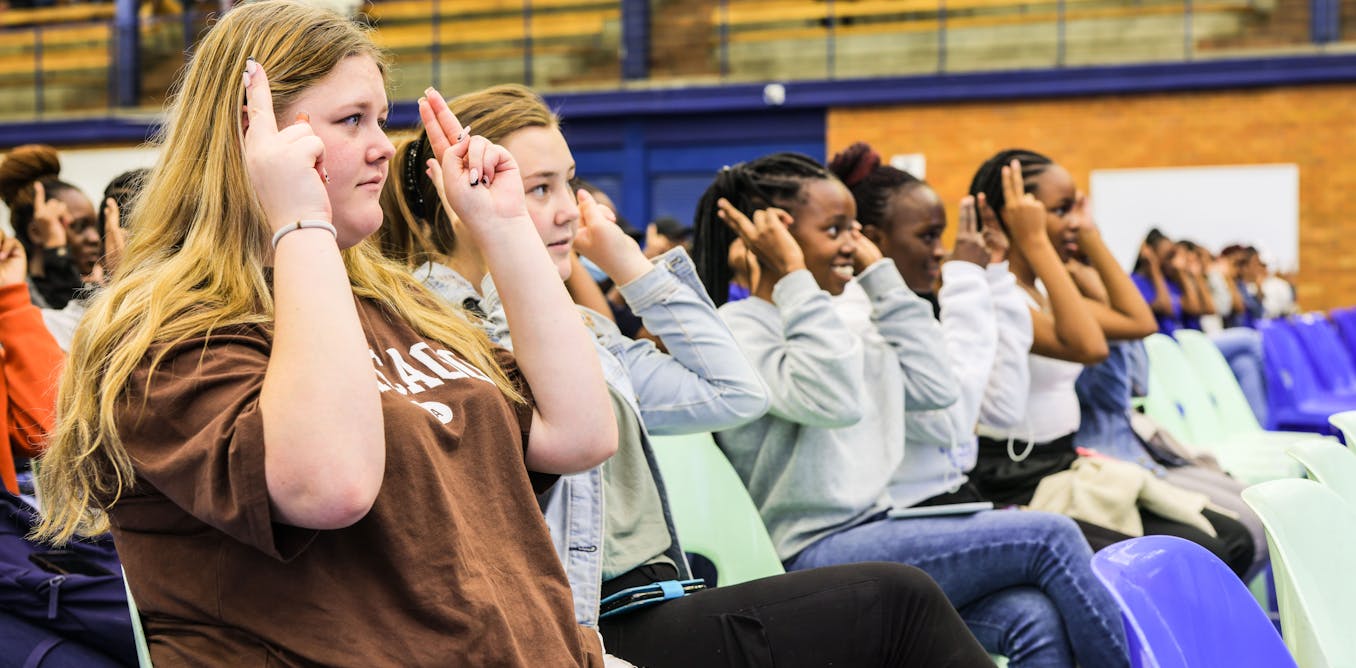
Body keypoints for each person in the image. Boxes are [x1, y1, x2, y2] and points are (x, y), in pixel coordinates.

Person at [32, 3, 619, 665]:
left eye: (382, 118)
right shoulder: (165, 334)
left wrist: (505, 228)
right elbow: (330, 485)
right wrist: (300, 221)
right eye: (351, 121)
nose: (383, 147)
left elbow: (579, 435)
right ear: (251, 140)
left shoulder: (391, 302)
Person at [383, 84, 995, 668]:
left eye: (569, 183)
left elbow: (733, 392)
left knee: (988, 610)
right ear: (459, 196)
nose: (570, 210)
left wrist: (628, 261)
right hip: (590, 625)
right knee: (898, 601)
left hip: (659, 598)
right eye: (538, 188)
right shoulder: (435, 333)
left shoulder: (578, 330)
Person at [695, 151, 1130, 667]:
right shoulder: (741, 328)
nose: (854, 245)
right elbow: (831, 399)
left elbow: (937, 388)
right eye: (835, 230)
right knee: (1053, 536)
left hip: (877, 528)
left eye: (855, 229)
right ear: (773, 237)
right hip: (811, 552)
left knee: (1030, 615)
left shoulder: (836, 320)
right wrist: (792, 276)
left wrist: (880, 276)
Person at [967, 149, 1255, 577]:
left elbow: (1138, 322)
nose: (1074, 222)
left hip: (1066, 462)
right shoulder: (995, 297)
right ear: (1016, 216)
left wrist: (1091, 236)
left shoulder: (1046, 294)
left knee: (1233, 539)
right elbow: (1090, 347)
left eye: (1076, 210)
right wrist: (1034, 243)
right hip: (1022, 478)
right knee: (1201, 551)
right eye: (1061, 210)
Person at [0, 145, 100, 309]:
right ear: (37, 232)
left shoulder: (95, 290)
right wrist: (57, 251)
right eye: (79, 226)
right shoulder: (12, 300)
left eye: (94, 226)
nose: (95, 238)